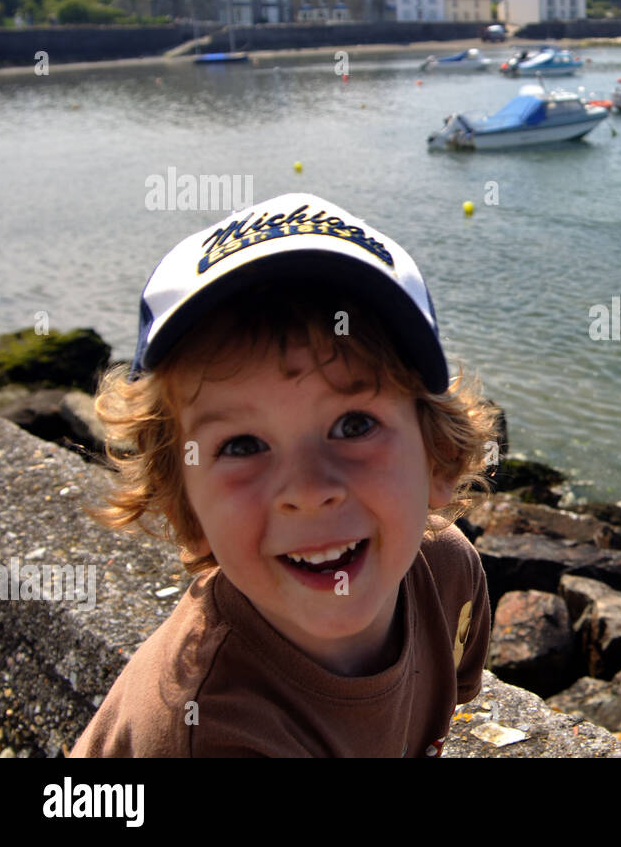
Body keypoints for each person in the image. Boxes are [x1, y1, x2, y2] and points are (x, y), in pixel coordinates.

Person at [69, 192, 499, 757]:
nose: (308, 491)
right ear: (185, 510)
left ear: (438, 457)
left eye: (353, 425)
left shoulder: (447, 574)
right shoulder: (213, 734)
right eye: (243, 445)